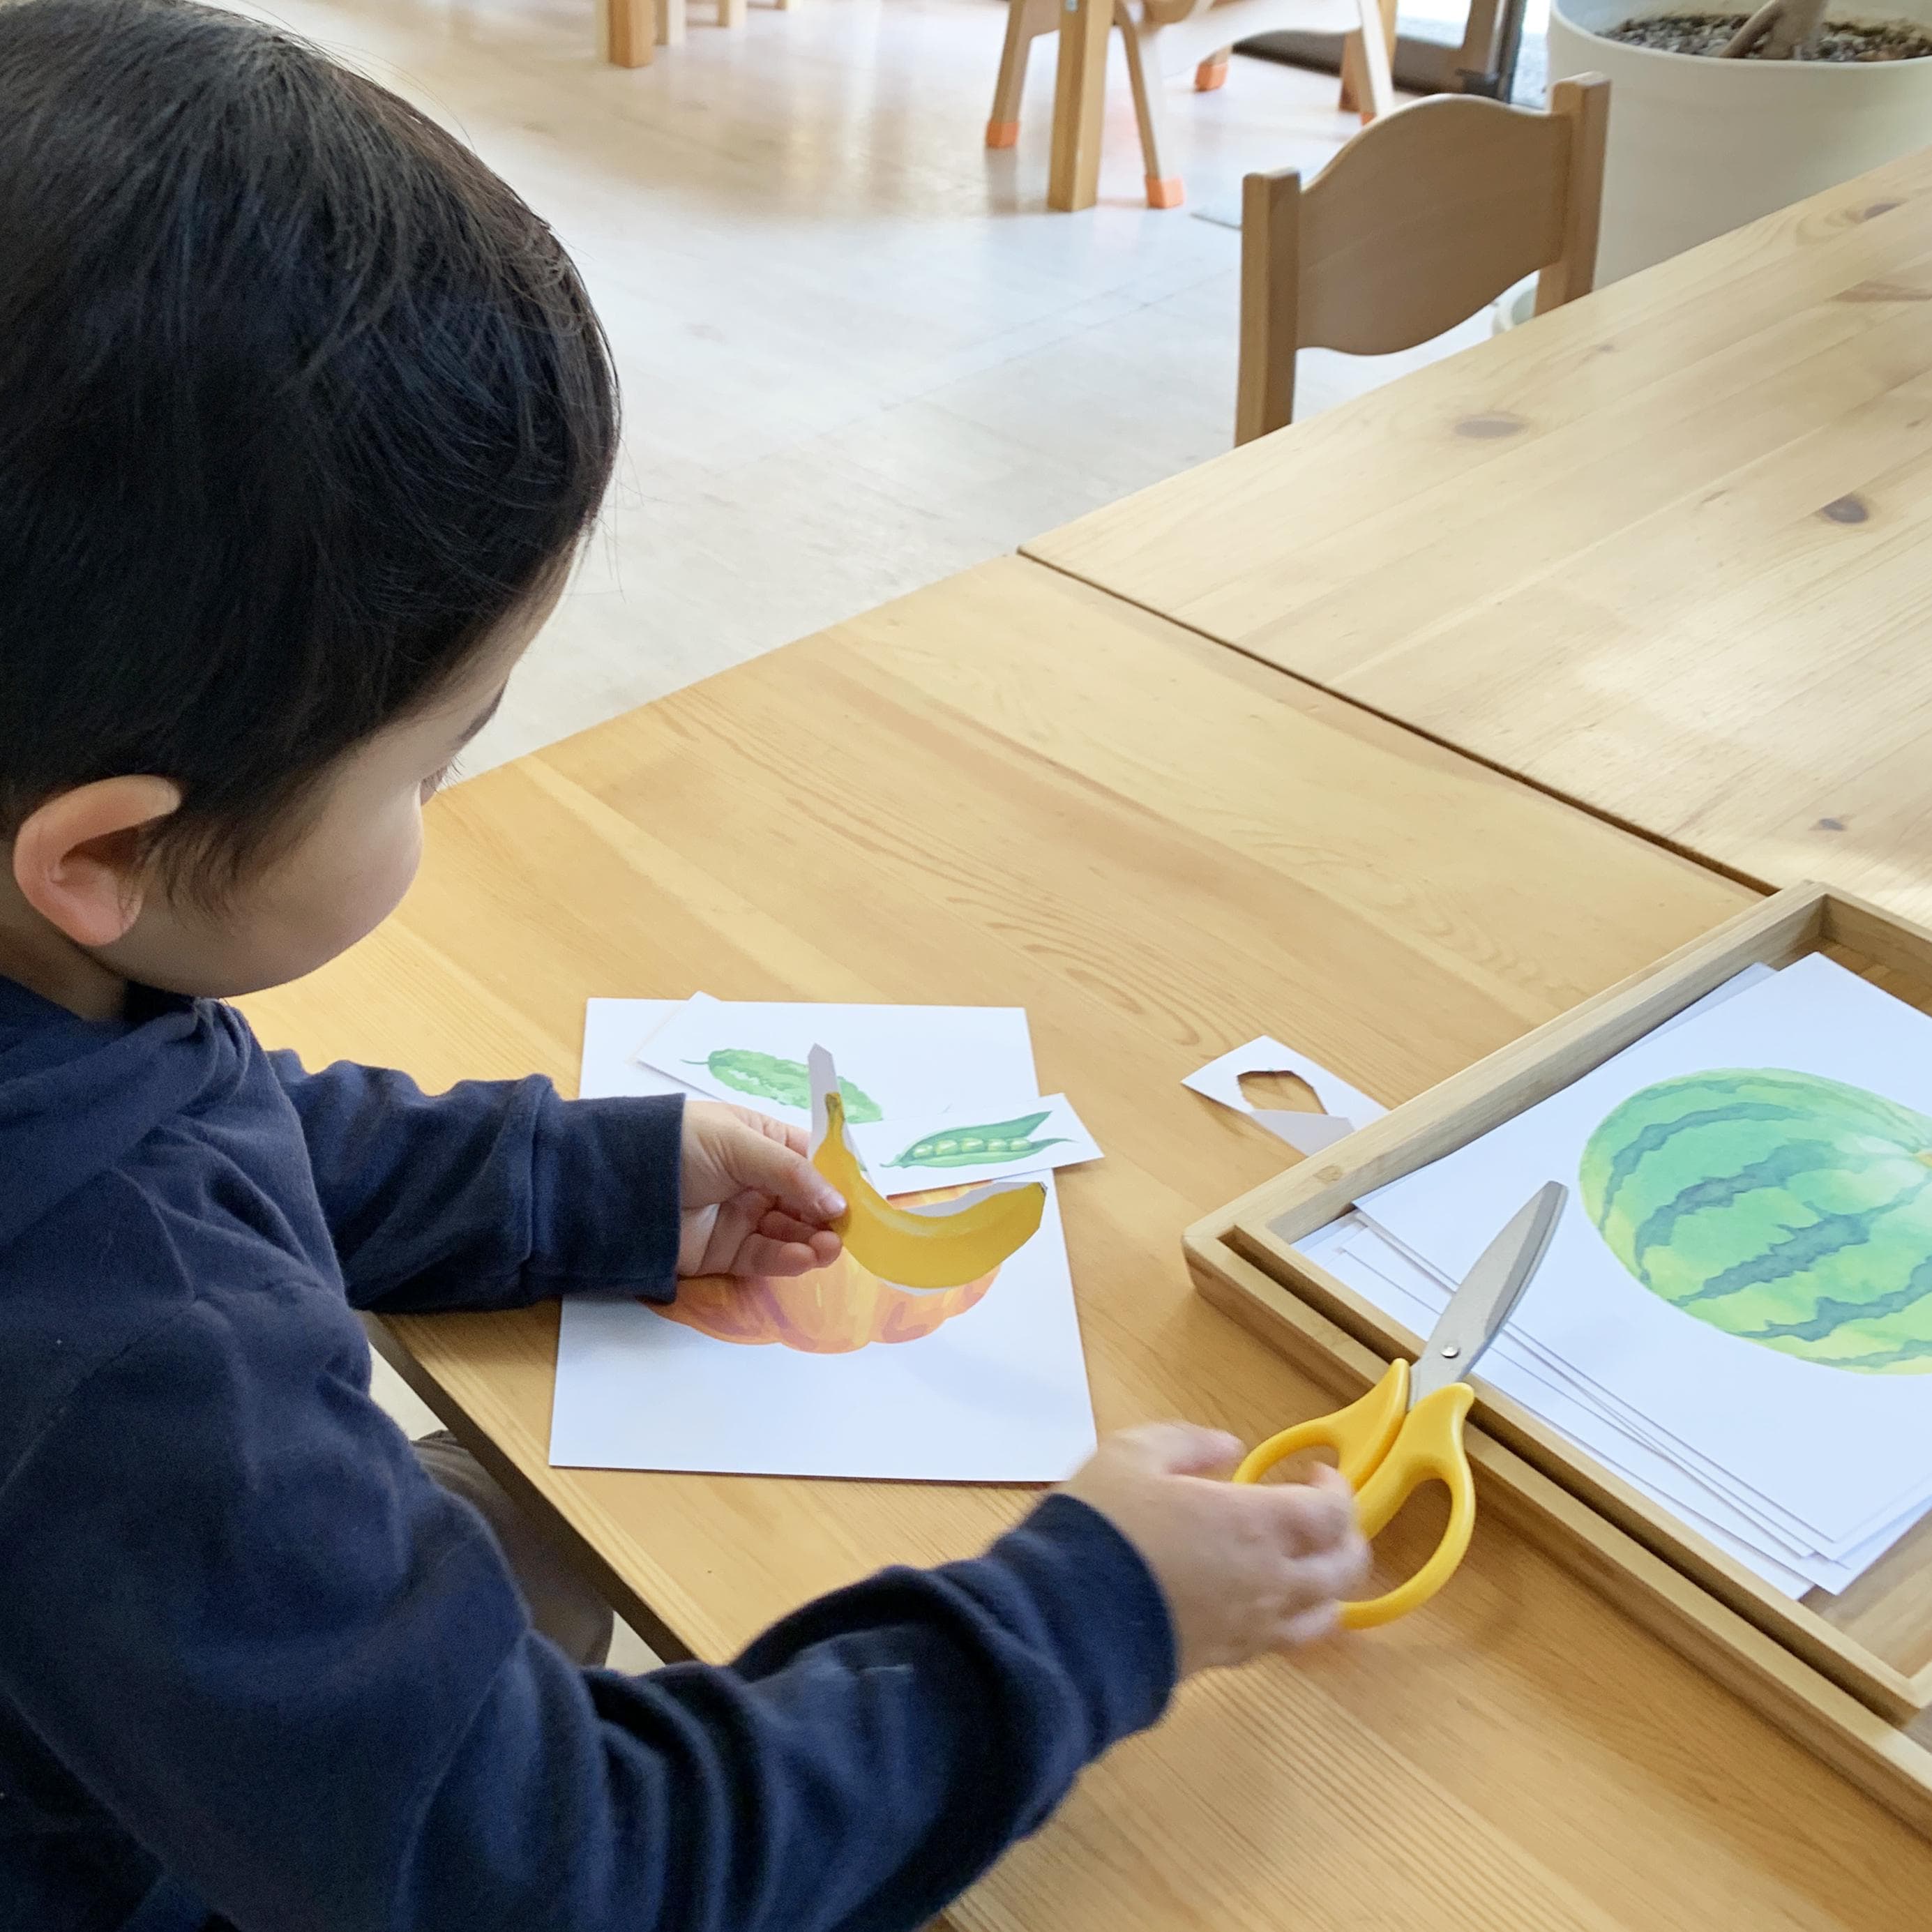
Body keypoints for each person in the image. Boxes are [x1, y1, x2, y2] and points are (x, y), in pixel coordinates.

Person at [0, 4, 1371, 1929]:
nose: (448, 791)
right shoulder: (143, 1361)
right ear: (107, 854)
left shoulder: (55, 1005)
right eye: (434, 757)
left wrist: (592, 1178)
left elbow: (201, 1122)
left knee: (497, 1559)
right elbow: (570, 1875)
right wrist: (1088, 1612)